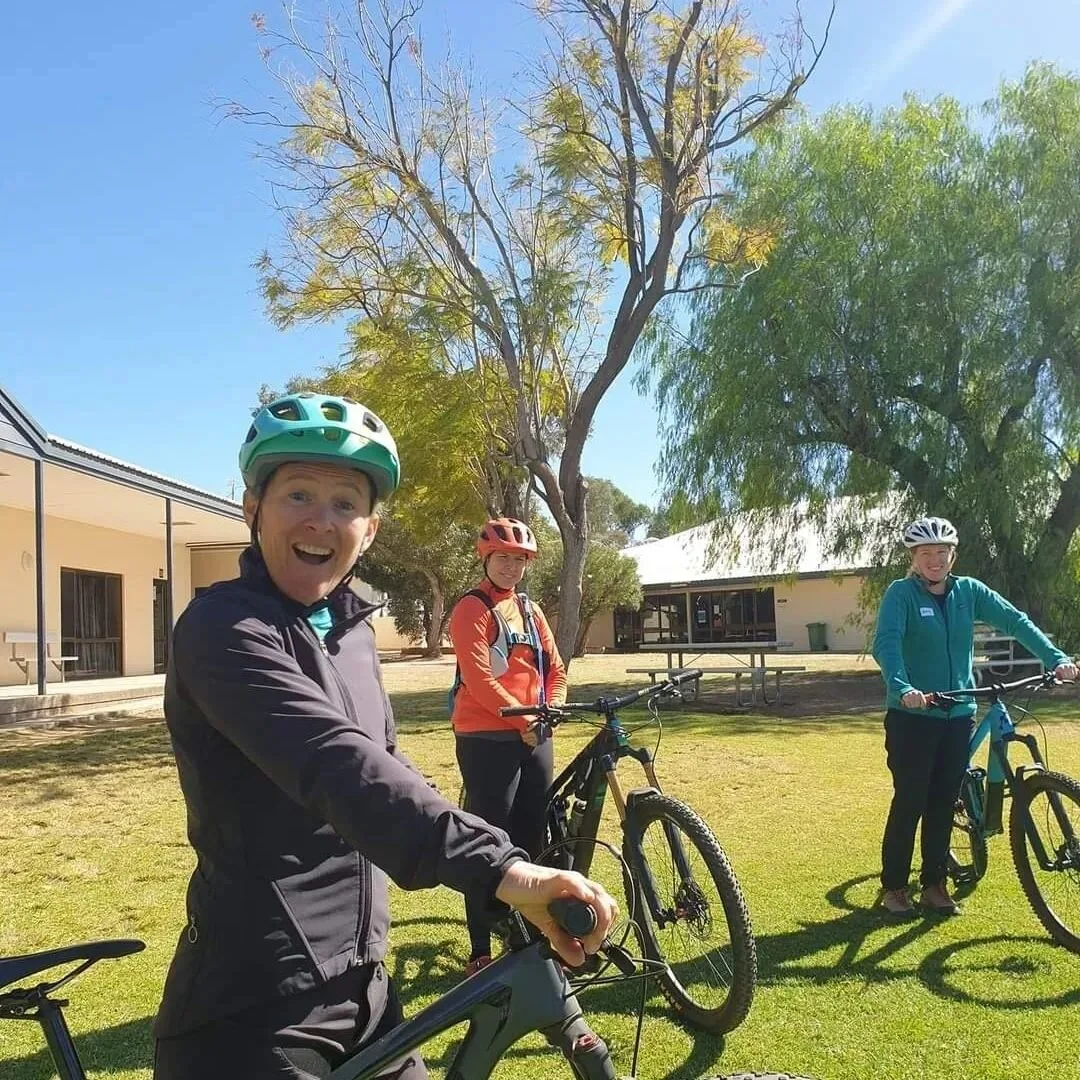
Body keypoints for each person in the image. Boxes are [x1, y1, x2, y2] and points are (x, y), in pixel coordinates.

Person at [152, 394, 616, 1080]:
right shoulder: (222, 631)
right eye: (298, 494)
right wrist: (501, 866)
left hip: (364, 983)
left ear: (368, 530)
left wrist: (498, 864)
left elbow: (386, 767)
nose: (321, 519)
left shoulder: (352, 637)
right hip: (251, 1009)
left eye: (345, 502)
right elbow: (331, 765)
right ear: (253, 508)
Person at [872, 516, 1076, 917]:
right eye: (926, 553)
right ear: (913, 558)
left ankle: (934, 884)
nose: (935, 559)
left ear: (953, 555)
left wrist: (1057, 658)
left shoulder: (968, 591)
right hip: (913, 716)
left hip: (958, 713)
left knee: (944, 801)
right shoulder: (902, 595)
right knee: (912, 800)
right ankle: (895, 887)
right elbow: (887, 643)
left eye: (942, 552)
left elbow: (1015, 621)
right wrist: (903, 688)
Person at [448, 517, 568, 976]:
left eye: (519, 561)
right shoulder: (471, 609)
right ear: (486, 559)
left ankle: (533, 931)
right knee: (489, 838)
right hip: (486, 735)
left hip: (535, 732)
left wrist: (551, 707)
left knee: (532, 831)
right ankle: (481, 947)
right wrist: (522, 720)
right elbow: (478, 680)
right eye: (503, 558)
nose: (511, 568)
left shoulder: (530, 612)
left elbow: (555, 669)